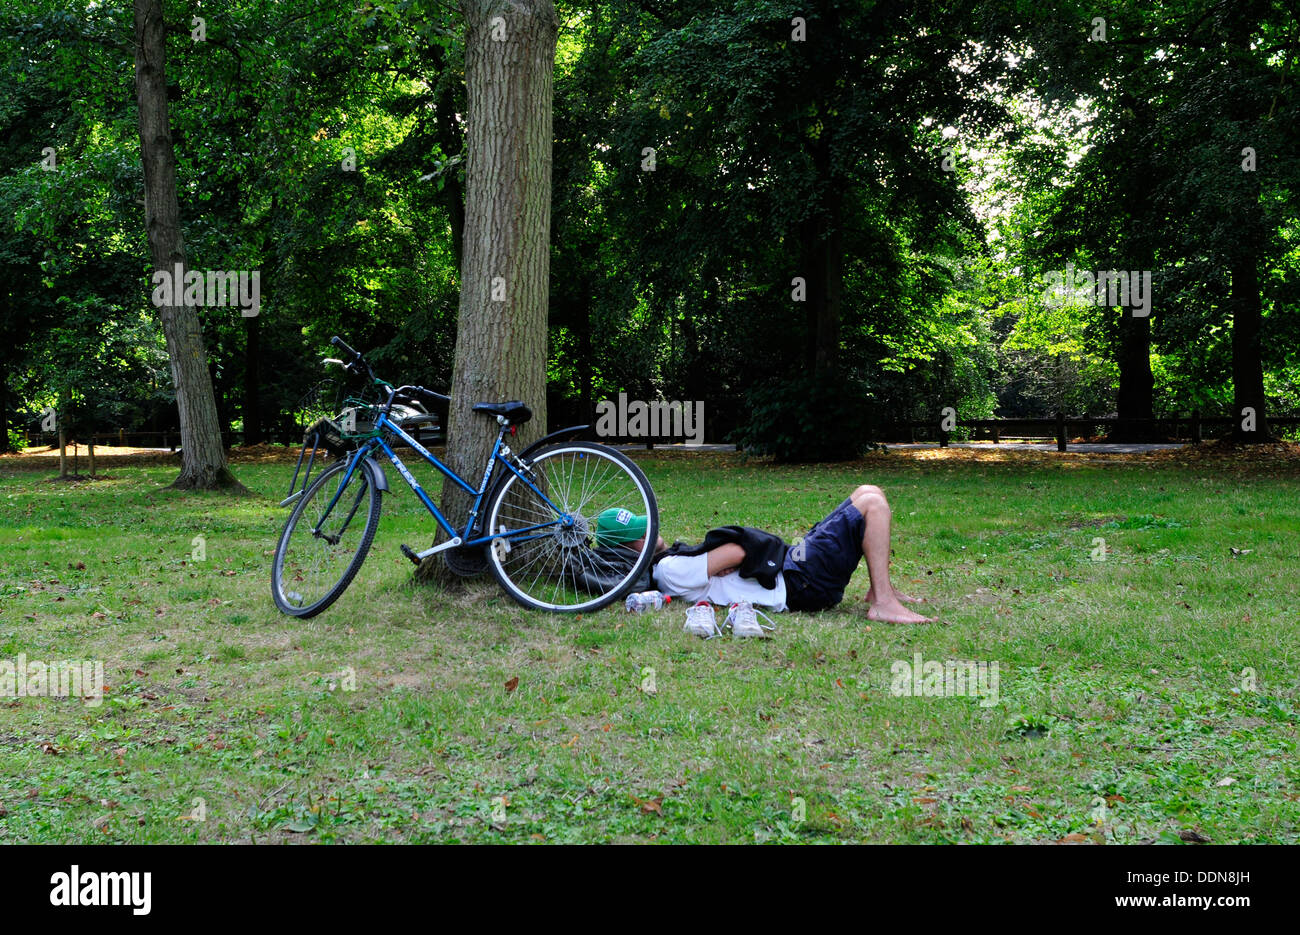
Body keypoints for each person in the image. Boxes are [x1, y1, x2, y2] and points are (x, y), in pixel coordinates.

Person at [590, 485, 935, 636]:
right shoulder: (668, 570)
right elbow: (739, 550)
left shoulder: (672, 561)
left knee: (868, 491)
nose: (649, 531)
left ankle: (880, 591)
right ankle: (884, 604)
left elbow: (737, 555)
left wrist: (728, 560)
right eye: (639, 534)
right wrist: (730, 558)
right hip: (798, 584)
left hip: (790, 565)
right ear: (630, 549)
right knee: (872, 506)